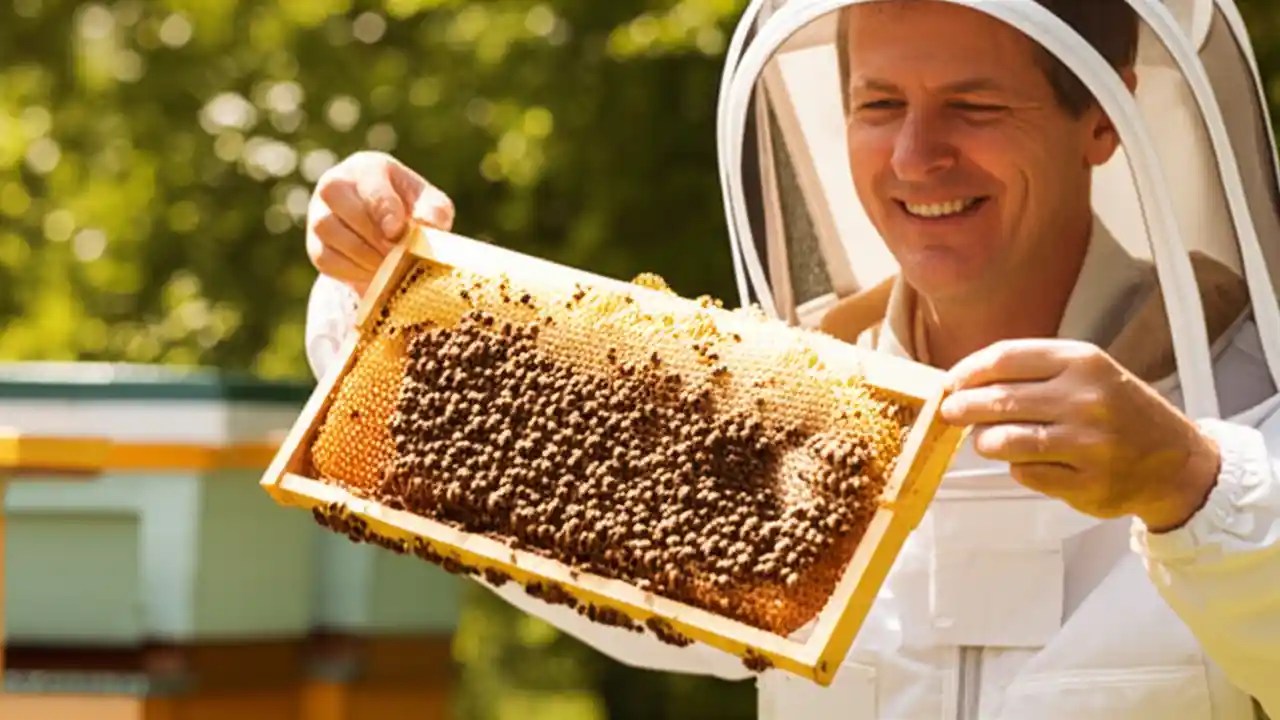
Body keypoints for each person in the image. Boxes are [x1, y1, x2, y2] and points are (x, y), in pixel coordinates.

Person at [302, 1, 1280, 717]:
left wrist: (1193, 487)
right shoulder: (786, 417)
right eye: (878, 103)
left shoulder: (1248, 408)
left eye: (973, 106)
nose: (912, 156)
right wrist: (385, 289)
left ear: (1102, 120)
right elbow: (525, 492)